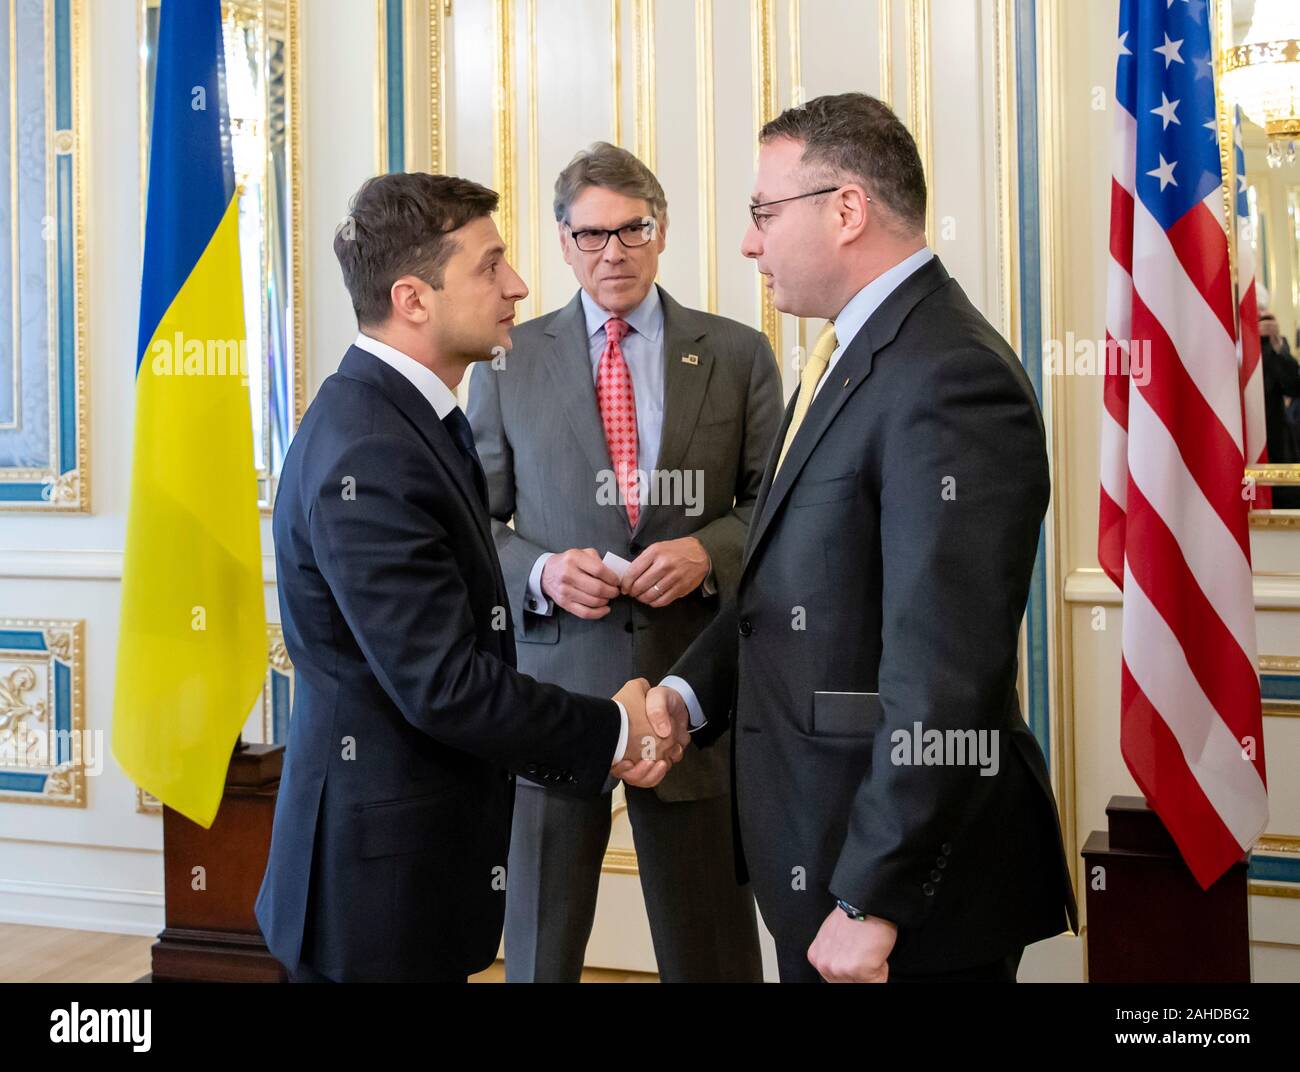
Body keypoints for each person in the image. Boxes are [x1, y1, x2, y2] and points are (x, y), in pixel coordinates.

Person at [646, 92, 1078, 983]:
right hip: (817, 852)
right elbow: (794, 589)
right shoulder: (853, 353)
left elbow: (945, 674)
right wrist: (687, 696)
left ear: (847, 210)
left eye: (764, 213)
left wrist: (871, 899)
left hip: (893, 896)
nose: (748, 243)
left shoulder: (950, 377)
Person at [254, 173, 687, 983]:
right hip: (376, 893)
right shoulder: (371, 449)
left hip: (409, 868)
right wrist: (618, 730)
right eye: (491, 266)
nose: (519, 285)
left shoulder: (406, 417)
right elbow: (444, 685)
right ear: (414, 298)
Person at [467, 143, 780, 982]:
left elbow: (778, 516)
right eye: (593, 235)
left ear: (662, 230)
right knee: (538, 950)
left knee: (710, 946)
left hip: (693, 689)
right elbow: (476, 526)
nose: (615, 252)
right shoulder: (502, 359)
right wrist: (541, 574)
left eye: (633, 229)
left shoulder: (740, 354)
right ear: (563, 243)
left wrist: (707, 552)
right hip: (555, 690)